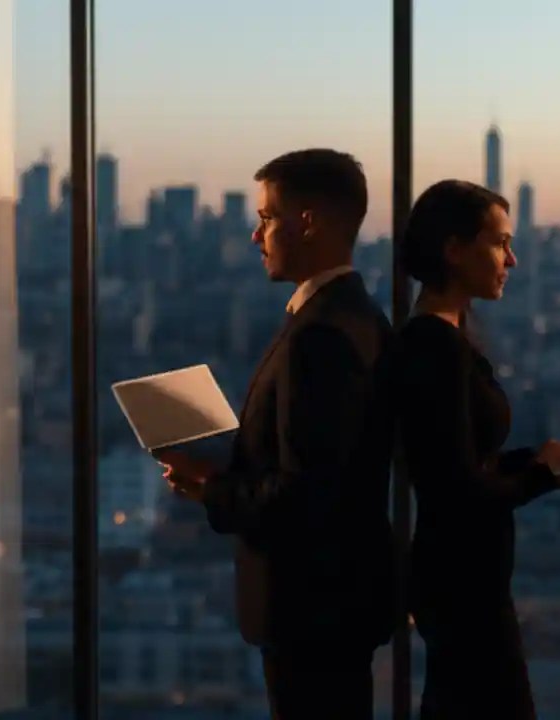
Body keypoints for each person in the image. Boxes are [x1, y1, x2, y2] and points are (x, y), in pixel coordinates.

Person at [158, 149, 394, 719]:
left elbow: (302, 494)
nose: (255, 236)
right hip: (340, 604)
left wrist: (213, 488)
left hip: (309, 610)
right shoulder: (364, 319)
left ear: (308, 222)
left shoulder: (320, 337)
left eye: (266, 218)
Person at [394, 179, 560, 719]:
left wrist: (540, 460)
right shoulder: (432, 348)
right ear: (454, 250)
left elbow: (462, 461)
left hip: (462, 575)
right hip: (462, 583)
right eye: (499, 243)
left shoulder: (446, 338)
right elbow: (457, 488)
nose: (511, 259)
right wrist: (543, 476)